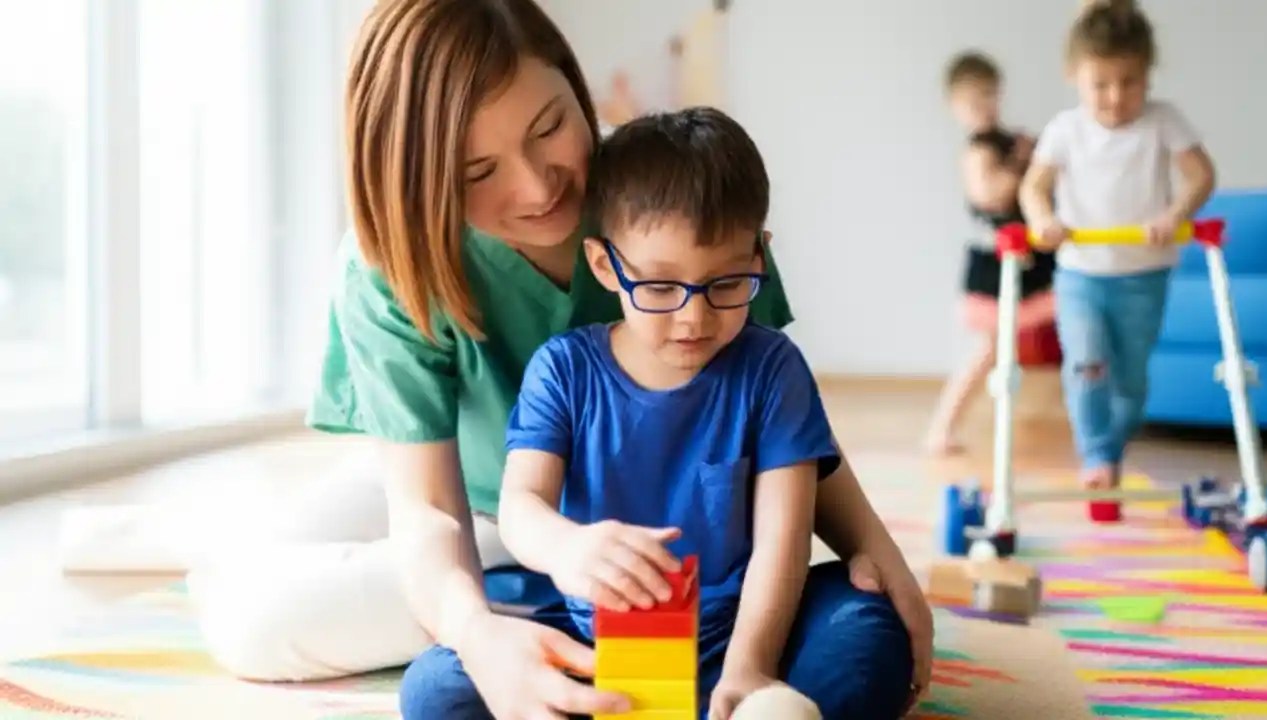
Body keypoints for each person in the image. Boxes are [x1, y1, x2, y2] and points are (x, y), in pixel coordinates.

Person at [186, 0, 934, 716]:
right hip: (486, 509)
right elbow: (426, 510)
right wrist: (479, 635)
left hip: (688, 545)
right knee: (254, 616)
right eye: (477, 172)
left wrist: (874, 552)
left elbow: (779, 423)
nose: (539, 186)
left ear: (576, 88)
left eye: (549, 127)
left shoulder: (668, 199)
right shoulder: (390, 267)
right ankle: (201, 546)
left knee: (863, 625)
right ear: (420, 184)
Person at [399, 107, 914, 720]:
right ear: (603, 266)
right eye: (662, 288)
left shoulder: (771, 368)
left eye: (725, 284)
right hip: (594, 637)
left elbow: (784, 541)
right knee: (436, 687)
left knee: (870, 628)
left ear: (759, 259)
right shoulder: (564, 369)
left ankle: (758, 705)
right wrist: (567, 549)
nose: (693, 318)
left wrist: (750, 665)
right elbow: (521, 506)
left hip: (735, 635)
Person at [1019, 0, 1216, 490]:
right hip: (1082, 273)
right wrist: (1044, 219)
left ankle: (1116, 442)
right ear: (1074, 75)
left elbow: (1200, 176)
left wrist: (1174, 214)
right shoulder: (1066, 130)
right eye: (1100, 84)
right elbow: (1033, 187)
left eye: (1129, 82)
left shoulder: (1163, 120)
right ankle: (1096, 455)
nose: (1114, 97)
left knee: (1130, 380)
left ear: (1148, 76)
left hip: (1143, 276)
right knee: (1086, 363)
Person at [923, 51, 1058, 455]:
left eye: (988, 96)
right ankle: (941, 426)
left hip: (1027, 257)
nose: (983, 107)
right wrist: (1022, 164)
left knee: (1050, 324)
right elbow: (991, 195)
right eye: (972, 101)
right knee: (988, 350)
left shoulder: (1005, 141)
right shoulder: (979, 150)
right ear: (955, 108)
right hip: (999, 261)